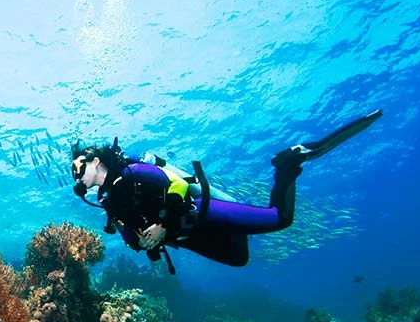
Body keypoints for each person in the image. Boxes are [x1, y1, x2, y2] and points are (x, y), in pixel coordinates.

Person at [71, 110, 383, 270]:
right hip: (187, 237)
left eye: (78, 167)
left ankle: (288, 164)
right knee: (238, 259)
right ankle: (239, 223)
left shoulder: (132, 171)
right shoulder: (108, 201)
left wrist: (162, 224)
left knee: (280, 218)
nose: (76, 176)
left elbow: (177, 184)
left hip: (200, 213)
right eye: (73, 174)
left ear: (96, 160)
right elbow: (132, 237)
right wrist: (143, 242)